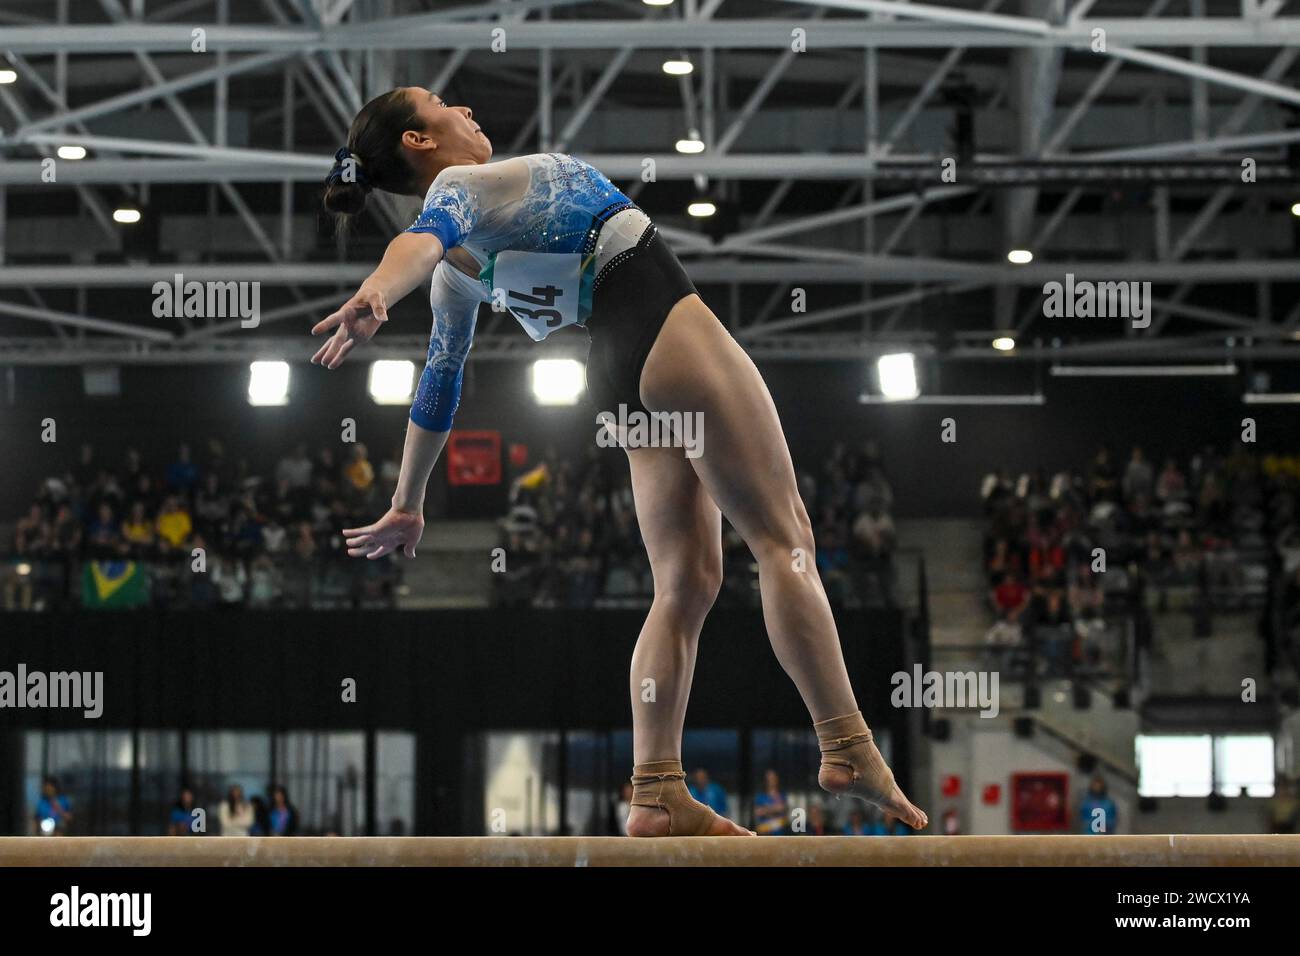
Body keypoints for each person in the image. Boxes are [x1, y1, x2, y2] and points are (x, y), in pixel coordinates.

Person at [313, 87, 927, 838]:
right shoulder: (457, 187)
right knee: (782, 536)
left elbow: (441, 377)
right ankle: (846, 743)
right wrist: (376, 291)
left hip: (618, 365)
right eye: (442, 104)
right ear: (418, 140)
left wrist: (410, 500)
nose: (467, 108)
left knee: (688, 581)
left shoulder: (457, 272)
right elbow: (420, 240)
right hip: (656, 310)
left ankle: (656, 788)